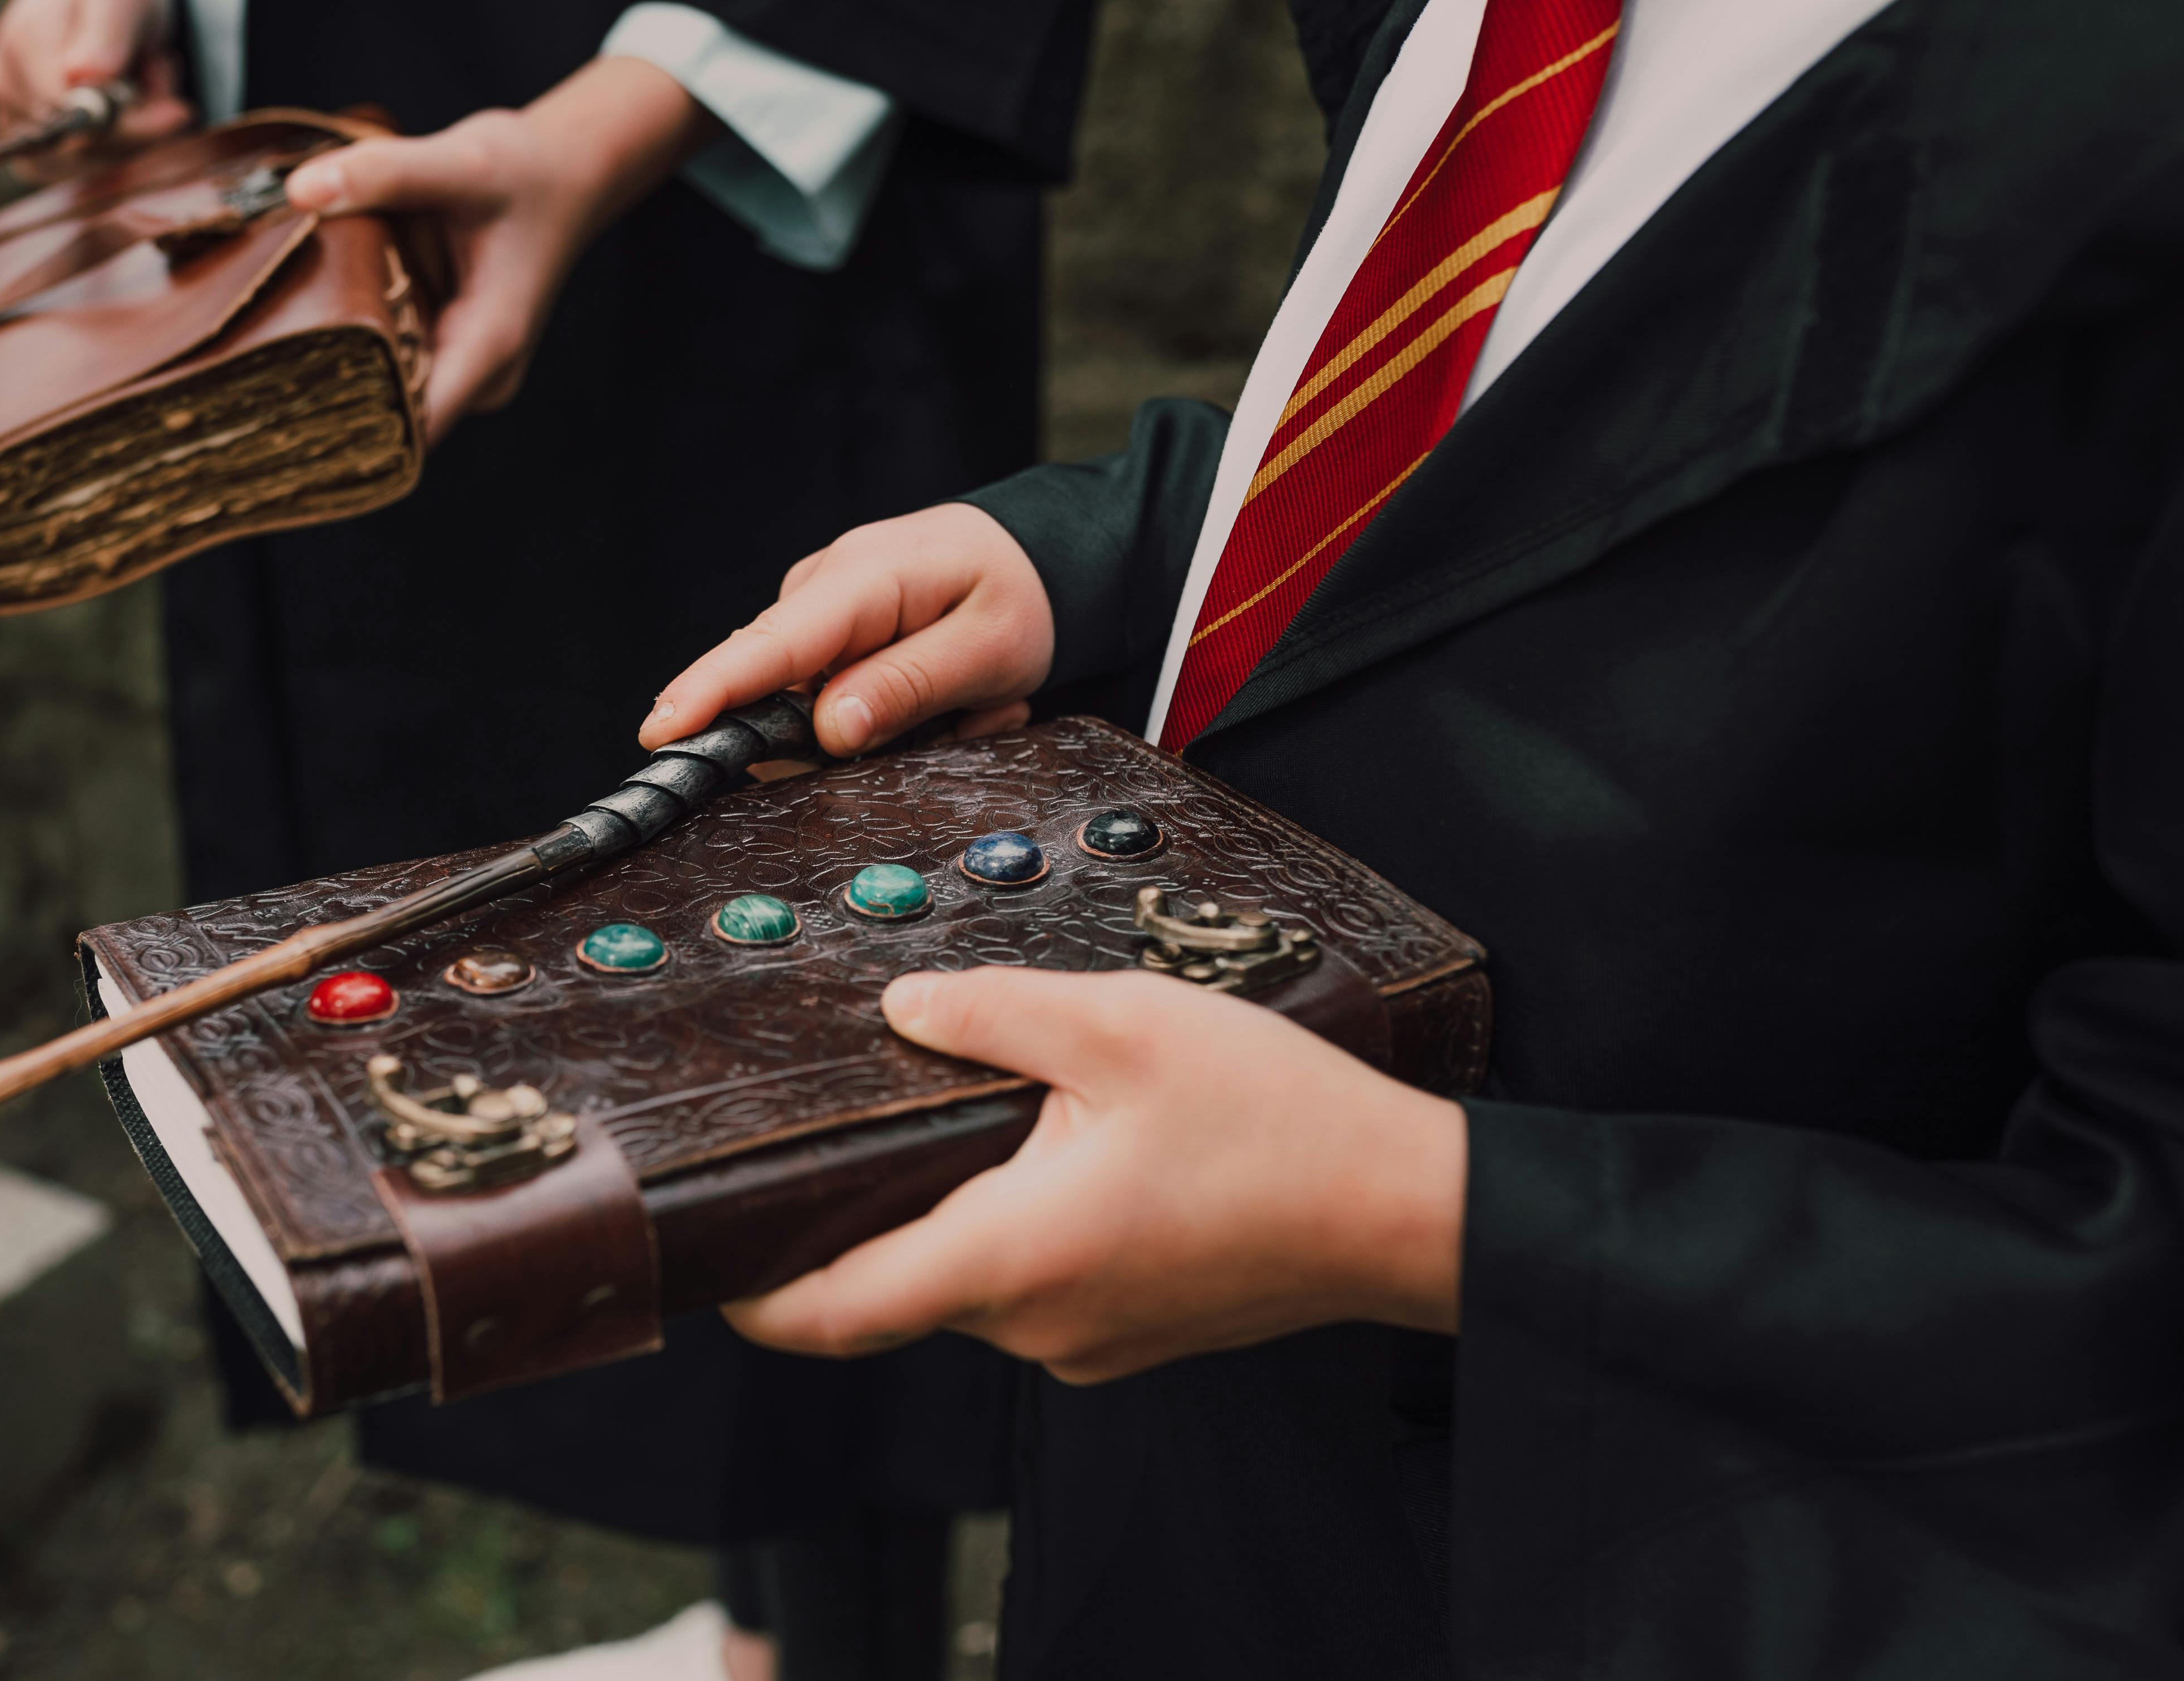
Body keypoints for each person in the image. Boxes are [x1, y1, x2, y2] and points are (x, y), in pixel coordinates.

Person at [642, 0, 2184, 1674]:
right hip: (1195, 1456)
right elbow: (1543, 420)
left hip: (1649, 1548)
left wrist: (1425, 1218)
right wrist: (1109, 555)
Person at [0, 3, 1096, 1676]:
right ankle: (757, 1631)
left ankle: (836, 1650)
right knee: (500, 956)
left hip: (709, 239)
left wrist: (625, 116)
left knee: (800, 1023)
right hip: (325, 255)